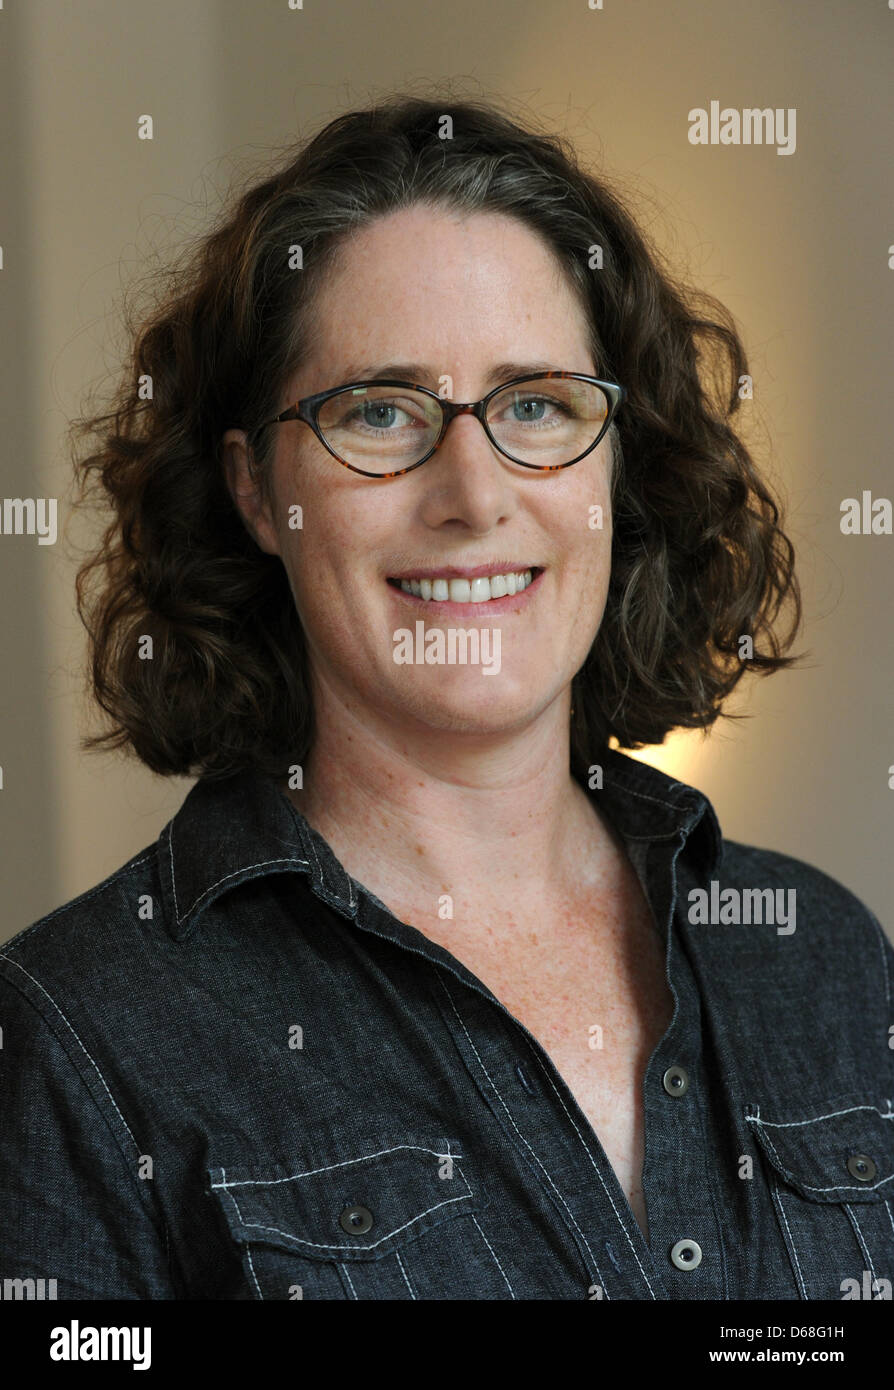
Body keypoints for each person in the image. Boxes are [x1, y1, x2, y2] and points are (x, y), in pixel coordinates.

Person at [1, 93, 892, 1303]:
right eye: (380, 411)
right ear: (258, 489)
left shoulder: (825, 958)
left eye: (537, 405)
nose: (473, 493)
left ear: (618, 464)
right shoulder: (78, 1033)